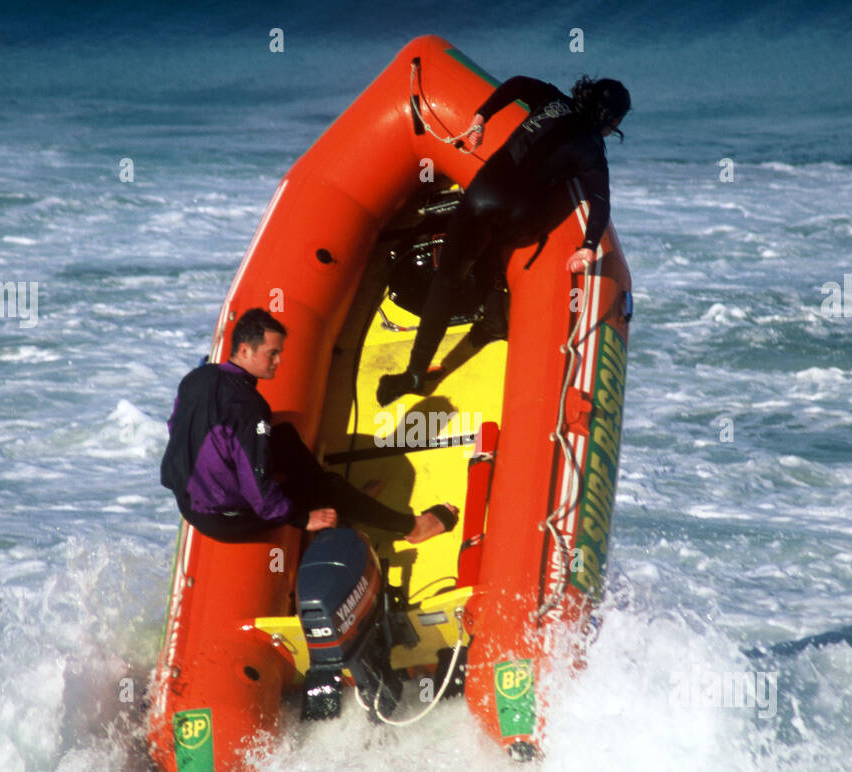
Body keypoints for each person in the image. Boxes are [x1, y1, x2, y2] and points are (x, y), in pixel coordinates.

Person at [377, 74, 630, 407]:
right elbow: (600, 201)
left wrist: (482, 116)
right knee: (494, 243)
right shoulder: (593, 150)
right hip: (523, 220)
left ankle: (413, 373)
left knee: (448, 279)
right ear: (611, 120)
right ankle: (495, 322)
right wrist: (587, 246)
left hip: (483, 197)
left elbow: (517, 84)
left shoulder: (552, 100)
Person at [161, 308, 457, 543]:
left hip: (188, 500)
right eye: (272, 354)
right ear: (245, 350)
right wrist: (302, 518)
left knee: (286, 437)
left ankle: (331, 495)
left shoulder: (198, 377)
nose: (279, 361)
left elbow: (175, 425)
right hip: (223, 517)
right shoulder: (251, 410)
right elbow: (259, 490)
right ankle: (412, 527)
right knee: (332, 488)